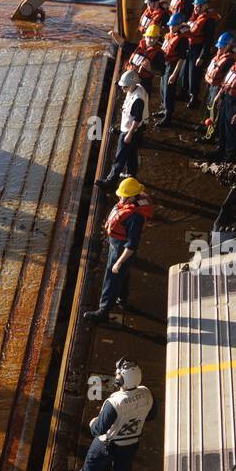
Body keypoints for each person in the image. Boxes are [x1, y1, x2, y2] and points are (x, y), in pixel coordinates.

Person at [64, 358, 153, 471]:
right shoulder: (146, 393)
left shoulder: (115, 402)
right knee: (122, 468)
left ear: (121, 379)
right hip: (131, 443)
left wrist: (93, 423)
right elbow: (151, 415)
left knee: (92, 459)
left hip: (109, 443)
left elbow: (98, 430)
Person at [83, 176, 153, 321]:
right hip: (116, 245)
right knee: (123, 274)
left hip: (121, 251)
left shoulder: (135, 218)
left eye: (124, 197)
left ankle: (103, 311)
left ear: (133, 197)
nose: (121, 198)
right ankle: (122, 299)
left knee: (112, 277)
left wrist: (118, 261)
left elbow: (132, 245)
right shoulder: (130, 203)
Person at [98, 70, 148, 187]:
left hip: (131, 130)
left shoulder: (138, 100)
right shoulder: (137, 87)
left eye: (125, 87)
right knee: (131, 153)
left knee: (119, 157)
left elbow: (137, 119)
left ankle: (110, 182)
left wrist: (129, 134)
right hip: (134, 129)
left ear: (131, 85)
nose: (123, 89)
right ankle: (132, 175)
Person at [184, 0, 219, 105]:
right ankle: (184, 93)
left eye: (198, 6)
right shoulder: (196, 16)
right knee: (185, 73)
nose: (195, 8)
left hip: (198, 50)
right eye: (195, 6)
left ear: (205, 6)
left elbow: (208, 40)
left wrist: (202, 56)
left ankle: (194, 97)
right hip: (190, 47)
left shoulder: (209, 21)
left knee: (194, 75)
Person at [201, 33, 236, 143]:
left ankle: (210, 135)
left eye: (221, 46)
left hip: (217, 88)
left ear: (227, 47)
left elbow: (226, 79)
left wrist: (219, 93)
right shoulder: (219, 55)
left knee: (215, 111)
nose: (219, 48)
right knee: (208, 107)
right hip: (211, 85)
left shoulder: (230, 60)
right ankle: (206, 126)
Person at [156, 13, 190, 126]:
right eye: (170, 25)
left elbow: (181, 58)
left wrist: (174, 74)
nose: (171, 27)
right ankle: (163, 108)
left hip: (172, 65)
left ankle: (168, 115)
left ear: (180, 25)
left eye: (174, 25)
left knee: (169, 91)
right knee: (162, 88)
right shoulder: (170, 35)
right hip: (165, 63)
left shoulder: (182, 40)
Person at [123, 23, 166, 91]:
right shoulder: (139, 47)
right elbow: (125, 45)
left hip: (144, 83)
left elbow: (162, 72)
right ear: (145, 37)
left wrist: (150, 69)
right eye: (149, 37)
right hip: (131, 78)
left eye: (155, 38)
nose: (152, 40)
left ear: (158, 39)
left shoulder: (159, 54)